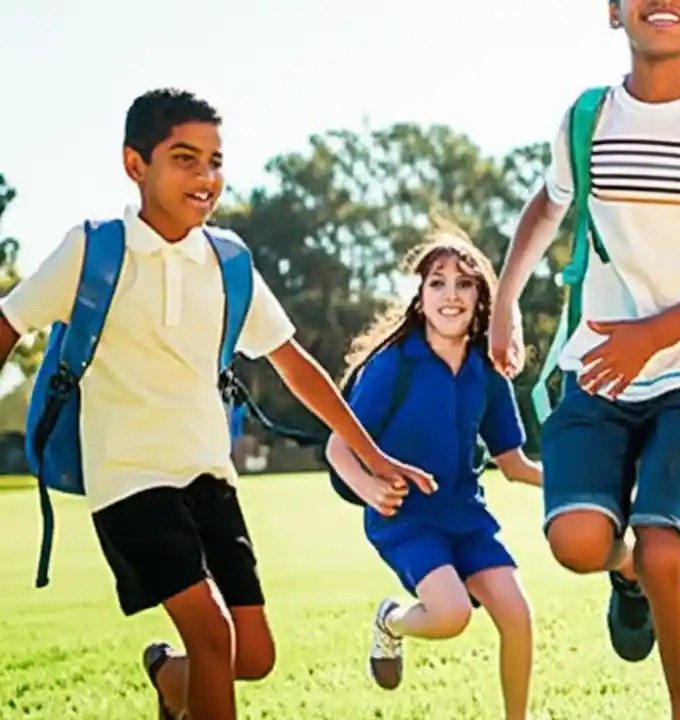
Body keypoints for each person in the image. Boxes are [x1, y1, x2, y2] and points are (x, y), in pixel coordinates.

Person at [0, 88, 432, 720]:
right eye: (185, 158)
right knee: (211, 634)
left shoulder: (228, 262)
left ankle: (169, 682)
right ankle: (187, 677)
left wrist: (372, 454)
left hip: (209, 476)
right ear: (134, 164)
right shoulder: (93, 250)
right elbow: (9, 324)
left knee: (251, 654)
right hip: (128, 480)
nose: (206, 177)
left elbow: (294, 366)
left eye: (215, 161)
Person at [488, 2, 680, 717]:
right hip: (598, 369)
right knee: (578, 541)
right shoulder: (588, 117)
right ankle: (625, 576)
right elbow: (549, 202)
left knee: (665, 549)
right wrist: (504, 300)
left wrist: (650, 337)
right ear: (613, 10)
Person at [327, 230, 542, 720]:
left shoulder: (488, 370)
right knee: (451, 615)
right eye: (438, 283)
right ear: (420, 299)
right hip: (406, 520)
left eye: (464, 284)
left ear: (480, 298)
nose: (451, 295)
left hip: (467, 518)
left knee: (518, 615)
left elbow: (514, 465)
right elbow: (339, 447)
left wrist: (581, 487)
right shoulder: (392, 366)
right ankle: (392, 621)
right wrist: (370, 489)